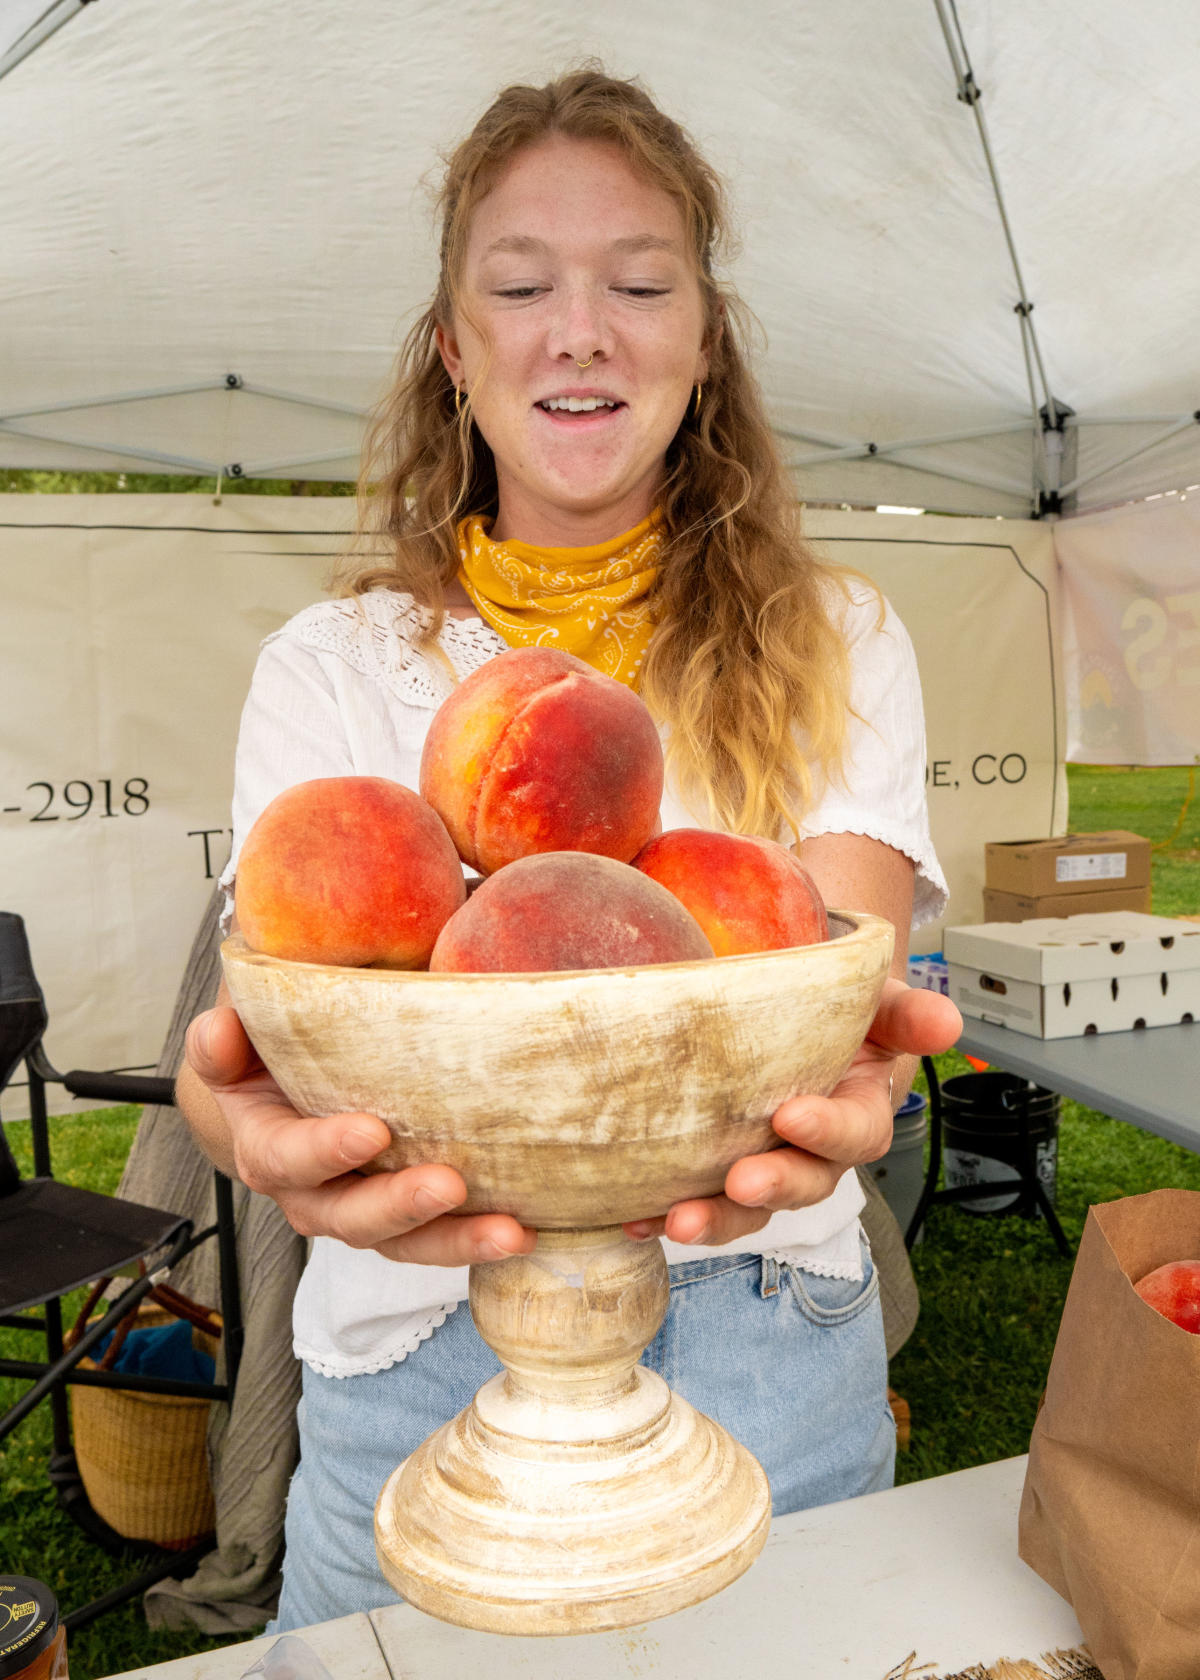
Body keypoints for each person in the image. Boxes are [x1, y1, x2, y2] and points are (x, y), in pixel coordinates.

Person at [177, 68, 961, 1630]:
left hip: (765, 1307)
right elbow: (263, 1032)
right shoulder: (334, 665)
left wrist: (842, 1074)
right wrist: (234, 1117)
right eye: (521, 286)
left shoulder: (836, 635)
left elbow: (827, 991)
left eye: (641, 283)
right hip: (417, 1326)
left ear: (703, 338)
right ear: (456, 349)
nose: (580, 329)